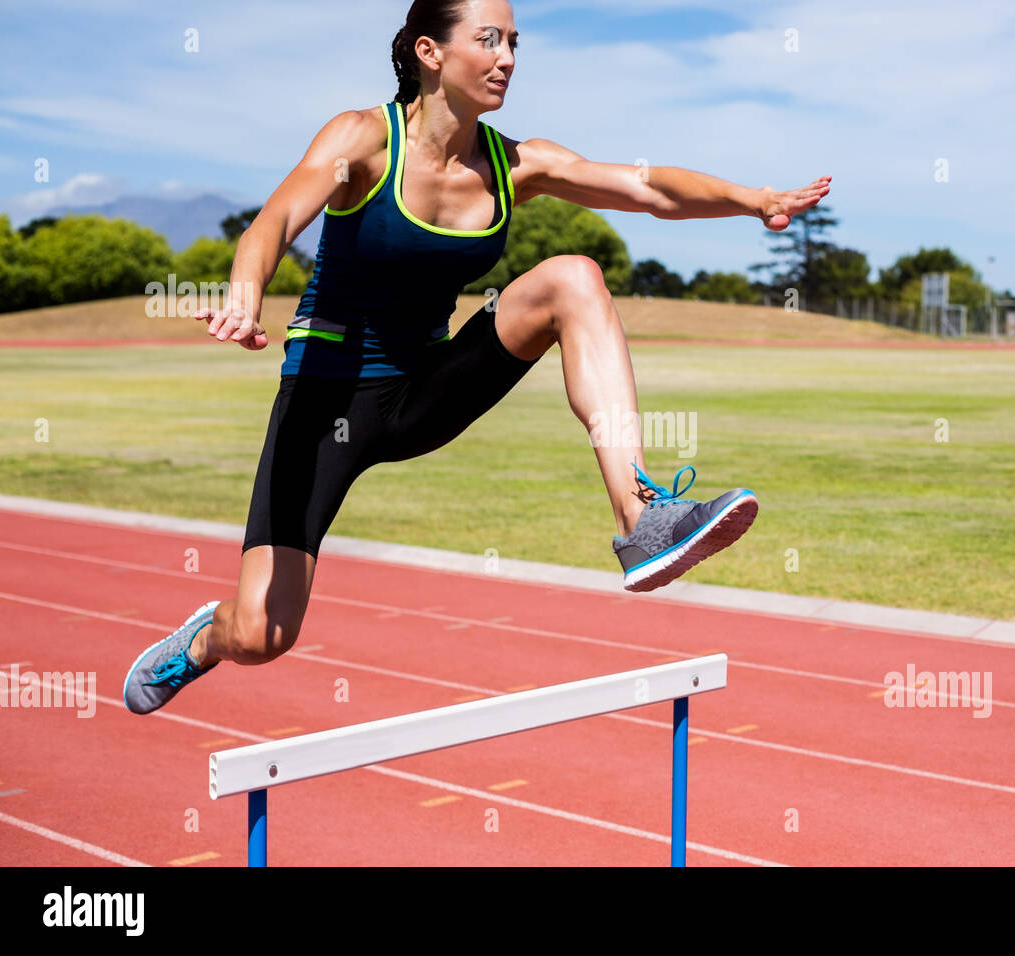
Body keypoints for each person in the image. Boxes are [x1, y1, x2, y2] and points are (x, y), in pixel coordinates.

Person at [123, 0, 831, 715]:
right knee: (263, 633)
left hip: (423, 393)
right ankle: (201, 642)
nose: (507, 58)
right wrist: (245, 295)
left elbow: (645, 186)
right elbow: (273, 220)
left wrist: (752, 198)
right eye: (488, 40)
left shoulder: (514, 163)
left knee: (573, 277)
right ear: (430, 52)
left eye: (515, 42)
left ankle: (638, 516)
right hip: (324, 402)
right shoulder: (362, 138)